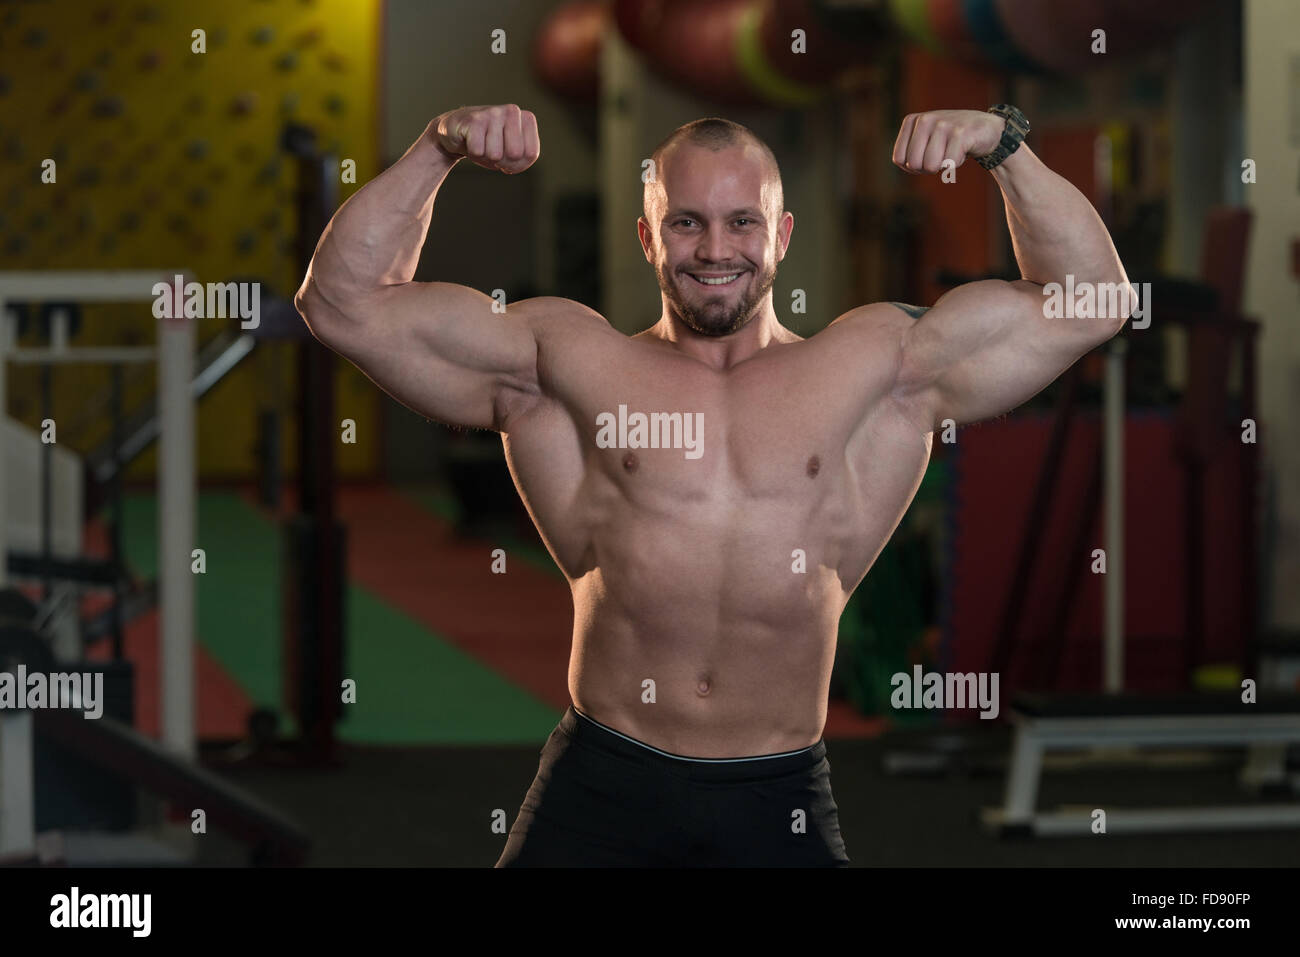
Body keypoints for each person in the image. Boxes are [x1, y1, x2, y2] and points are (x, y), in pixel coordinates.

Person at [294, 103, 1133, 866]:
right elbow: (342, 304)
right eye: (687, 223)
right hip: (603, 778)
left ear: (783, 233)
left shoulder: (878, 368)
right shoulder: (567, 362)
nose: (716, 249)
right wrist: (438, 147)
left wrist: (1004, 145)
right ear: (648, 237)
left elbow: (1093, 302)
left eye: (742, 222)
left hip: (778, 793)